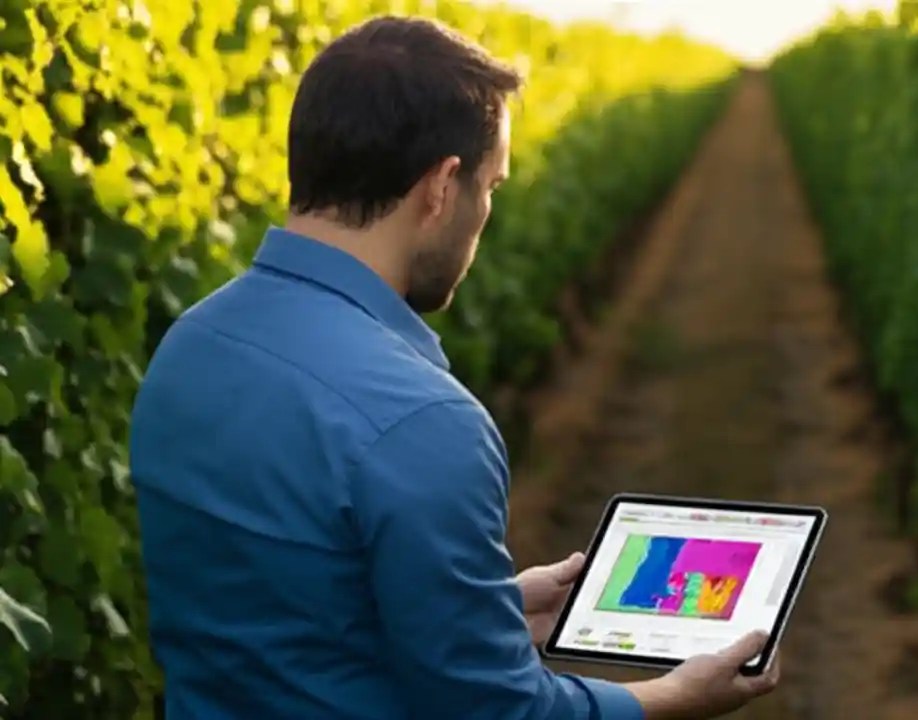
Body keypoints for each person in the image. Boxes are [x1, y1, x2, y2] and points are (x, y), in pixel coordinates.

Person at [128, 15, 781, 720]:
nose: (487, 211)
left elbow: (293, 612)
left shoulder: (188, 346)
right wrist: (669, 697)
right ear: (441, 188)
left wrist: (482, 610)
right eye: (491, 185)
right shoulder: (423, 422)